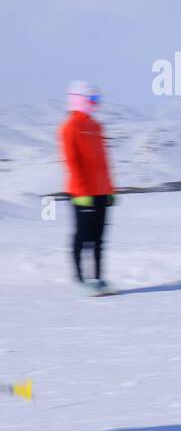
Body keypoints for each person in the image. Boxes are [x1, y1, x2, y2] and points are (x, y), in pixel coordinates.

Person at [58, 82, 116, 295]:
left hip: (100, 192)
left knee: (99, 238)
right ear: (79, 99)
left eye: (98, 100)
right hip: (82, 194)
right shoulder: (69, 127)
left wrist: (110, 189)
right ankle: (79, 281)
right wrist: (82, 193)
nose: (96, 104)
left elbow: (103, 161)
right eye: (93, 100)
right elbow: (72, 162)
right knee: (83, 236)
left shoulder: (97, 127)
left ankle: (99, 280)